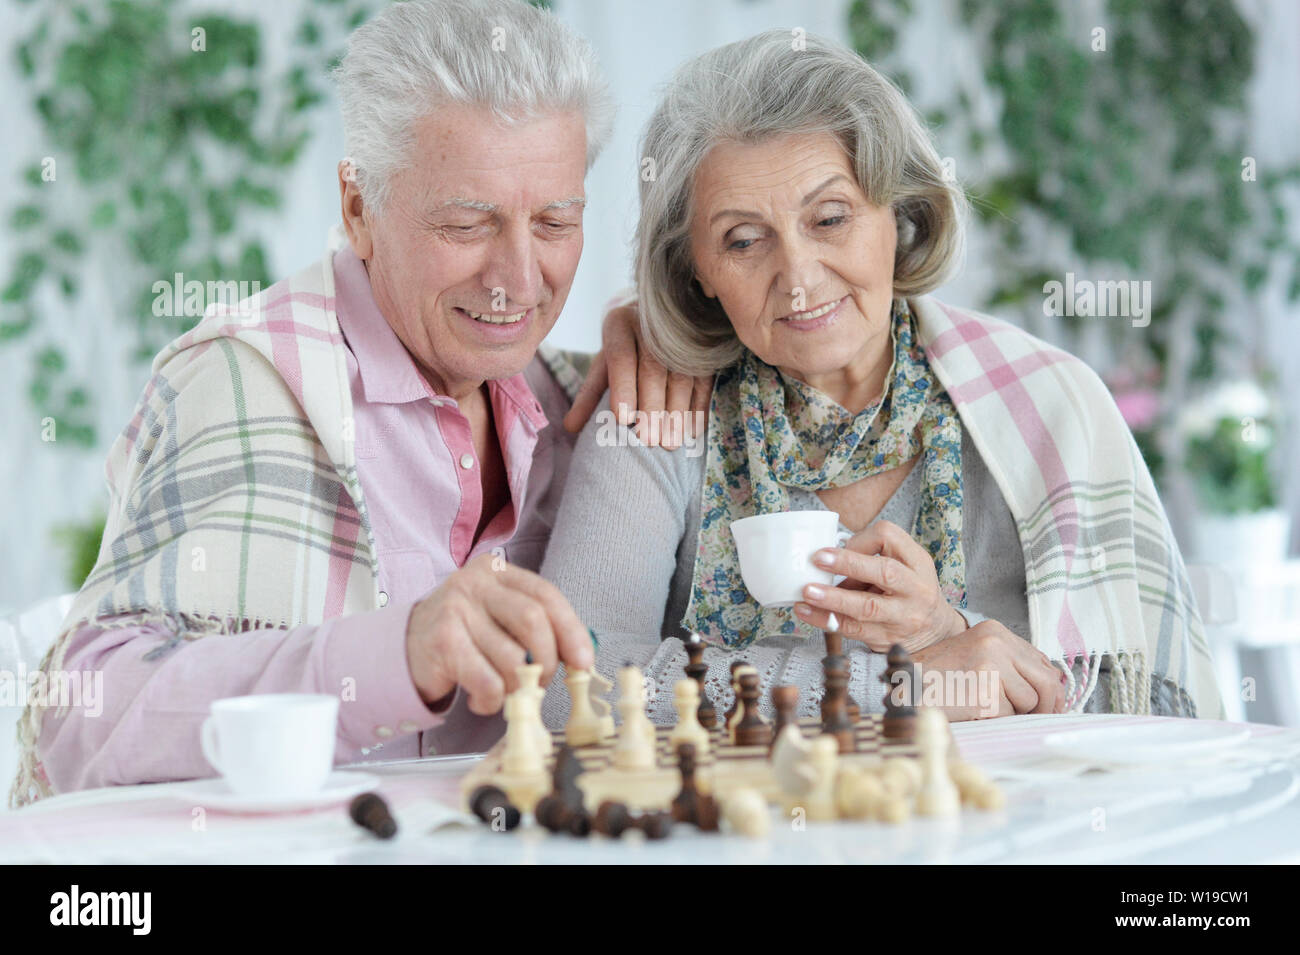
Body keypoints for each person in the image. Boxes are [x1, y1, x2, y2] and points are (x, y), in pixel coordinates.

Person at [10, 0, 709, 807]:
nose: (519, 279)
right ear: (357, 209)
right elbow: (76, 720)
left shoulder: (579, 396)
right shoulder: (241, 383)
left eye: (555, 220)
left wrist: (669, 323)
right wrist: (396, 655)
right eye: (466, 222)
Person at [540, 30, 1223, 726]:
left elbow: (1157, 706)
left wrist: (943, 630)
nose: (798, 277)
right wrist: (896, 685)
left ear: (900, 215)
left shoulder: (1047, 407)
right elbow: (568, 685)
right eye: (743, 241)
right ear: (697, 272)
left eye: (830, 218)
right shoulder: (656, 404)